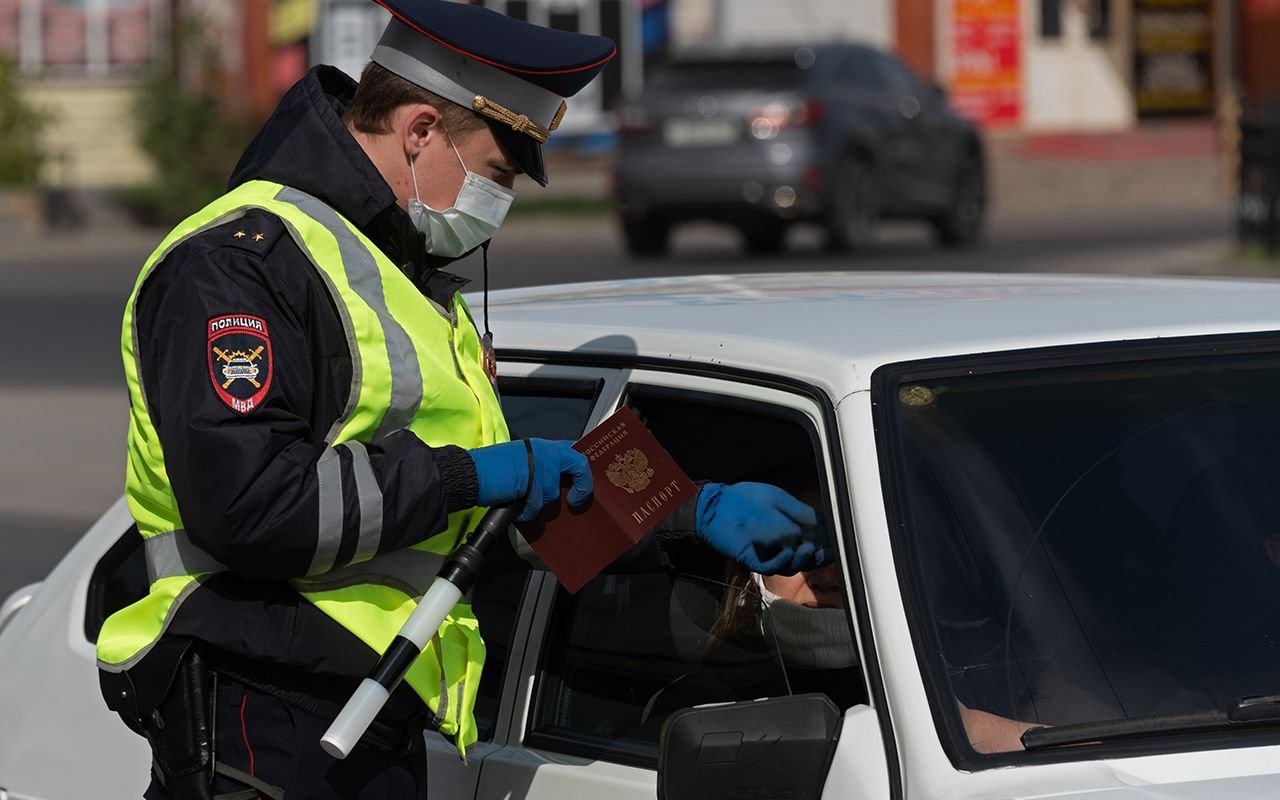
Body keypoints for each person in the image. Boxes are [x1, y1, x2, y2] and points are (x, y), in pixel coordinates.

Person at [93, 2, 827, 799]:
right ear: (418, 131)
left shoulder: (400, 273)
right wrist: (476, 476)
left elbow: (502, 504)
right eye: (497, 174)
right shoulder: (240, 265)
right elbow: (252, 508)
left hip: (366, 711)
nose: (497, 207)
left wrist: (689, 512)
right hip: (262, 715)